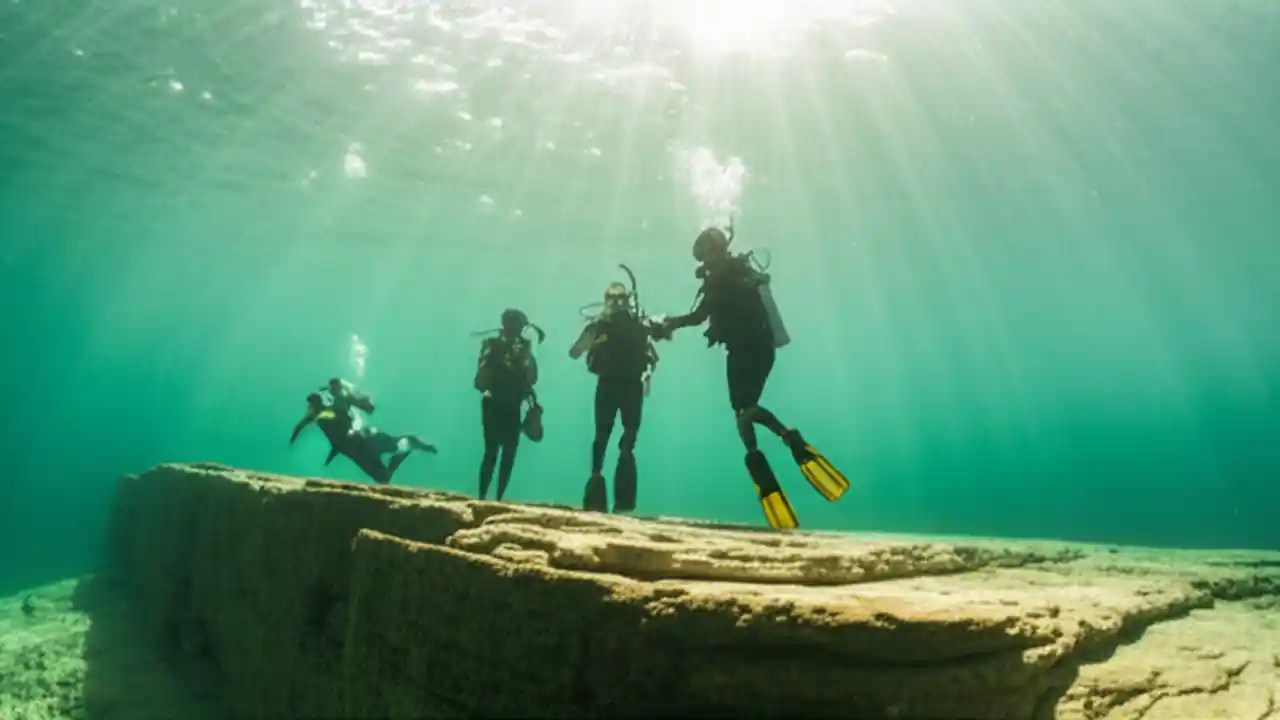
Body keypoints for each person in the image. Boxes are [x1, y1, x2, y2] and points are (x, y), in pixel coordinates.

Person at [658, 223, 849, 529]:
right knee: (743, 412)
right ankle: (772, 444)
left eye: (705, 254)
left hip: (744, 350)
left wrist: (668, 324)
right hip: (761, 350)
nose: (704, 262)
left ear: (714, 251)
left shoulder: (721, 277)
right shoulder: (739, 273)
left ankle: (780, 443)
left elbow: (698, 316)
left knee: (743, 411)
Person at [570, 274, 661, 514]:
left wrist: (592, 338)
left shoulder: (603, 326)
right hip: (629, 386)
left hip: (610, 385)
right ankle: (621, 498)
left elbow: (574, 352)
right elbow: (653, 358)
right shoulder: (637, 326)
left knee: (603, 435)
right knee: (625, 439)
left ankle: (596, 488)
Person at [290, 392, 437, 485]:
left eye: (312, 405)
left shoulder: (331, 411)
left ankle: (407, 447)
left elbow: (342, 428)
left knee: (394, 448)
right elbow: (302, 426)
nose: (310, 409)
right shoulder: (320, 416)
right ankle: (399, 457)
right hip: (357, 450)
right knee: (383, 479)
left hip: (363, 442)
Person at [474, 308, 544, 501]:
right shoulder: (493, 345)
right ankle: (489, 496)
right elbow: (531, 378)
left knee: (500, 452)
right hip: (500, 402)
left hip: (504, 402)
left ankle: (490, 496)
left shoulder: (503, 346)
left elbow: (531, 378)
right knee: (498, 451)